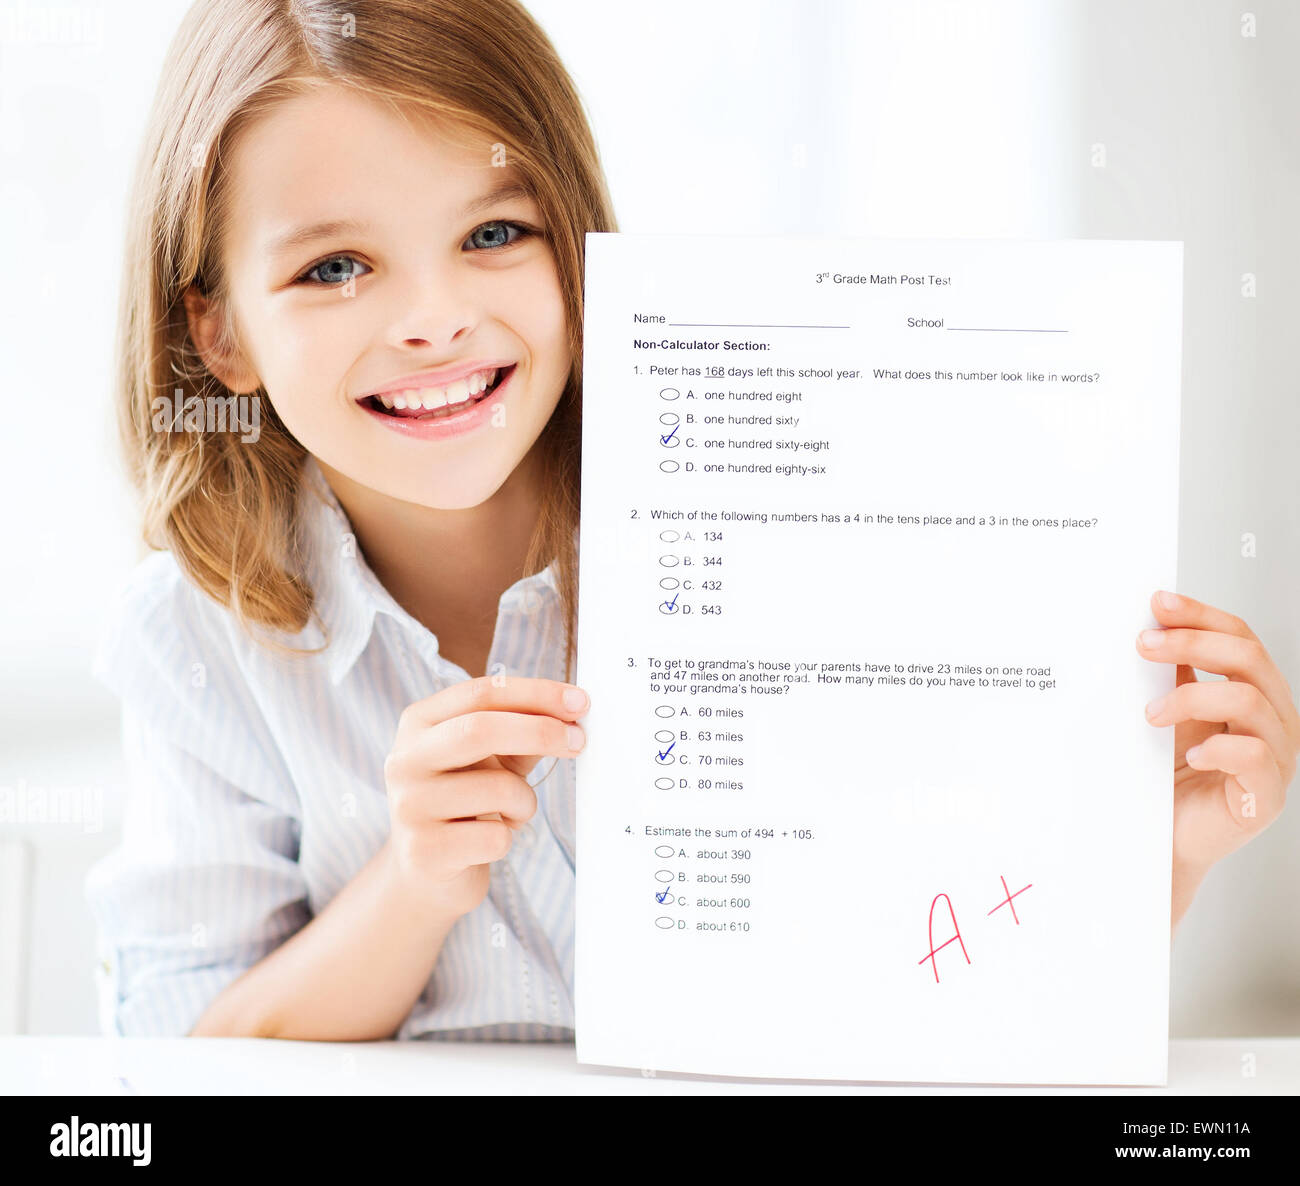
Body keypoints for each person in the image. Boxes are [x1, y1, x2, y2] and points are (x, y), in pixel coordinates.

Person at [86, 0, 1297, 1042]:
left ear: (577, 240)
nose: (432, 318)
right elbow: (184, 1047)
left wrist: (1160, 847)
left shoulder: (771, 511)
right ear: (219, 330)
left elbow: (954, 964)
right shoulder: (197, 637)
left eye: (494, 233)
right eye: (335, 267)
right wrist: (413, 884)